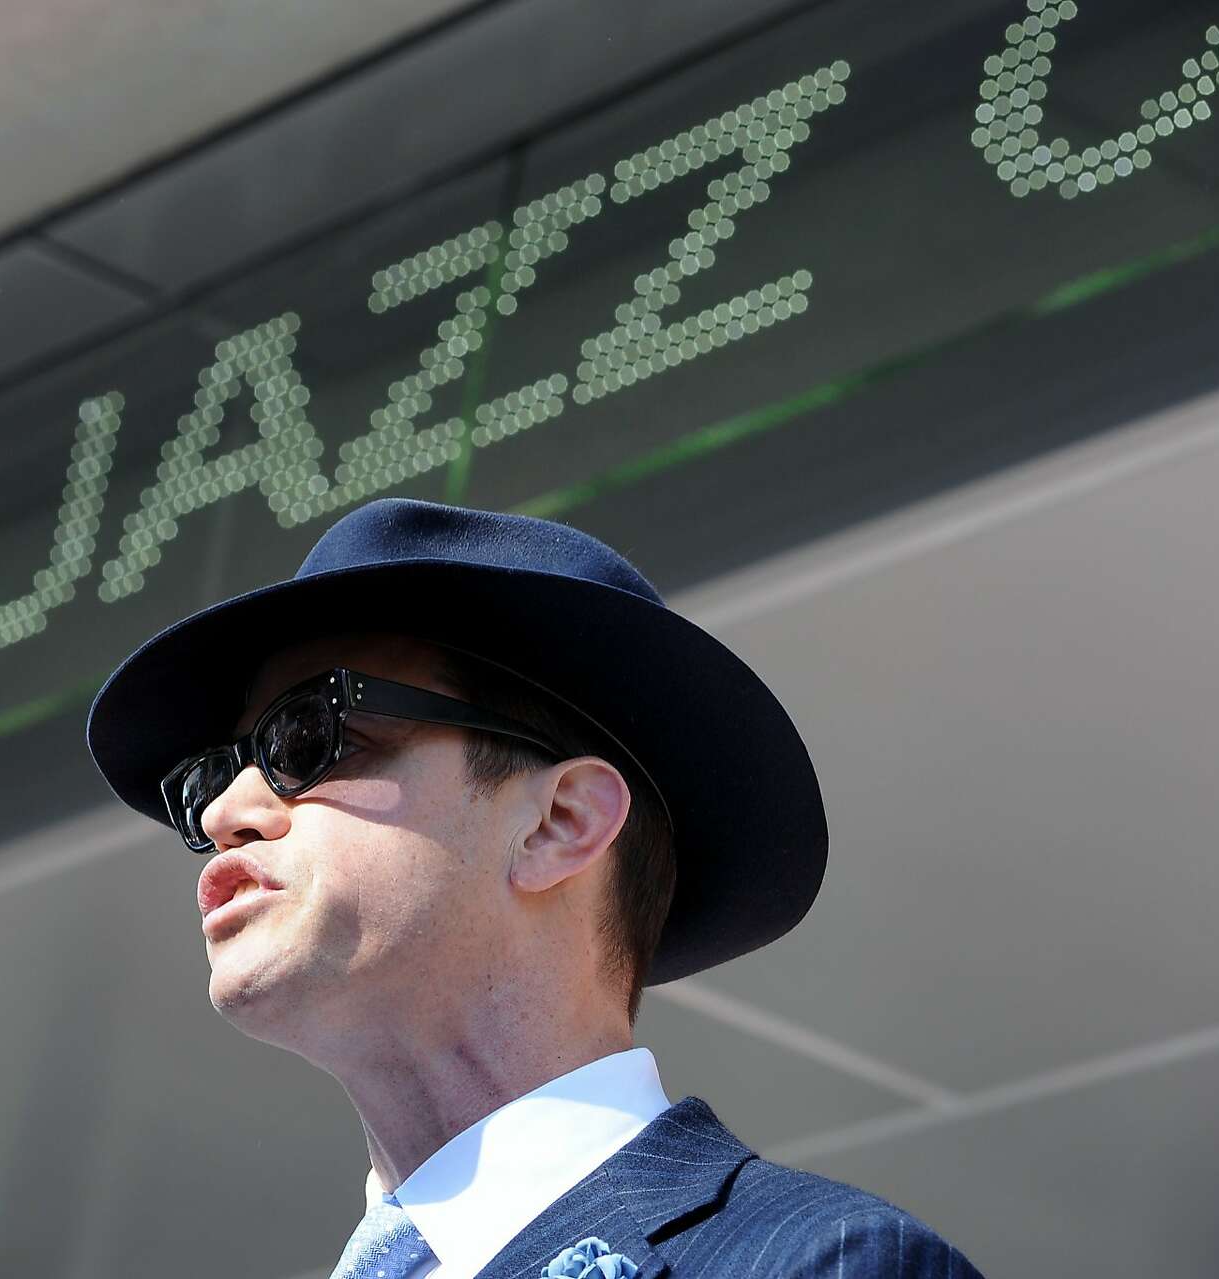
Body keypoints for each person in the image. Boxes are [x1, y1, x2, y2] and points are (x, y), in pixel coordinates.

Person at [87, 498, 982, 1279]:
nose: (225, 813)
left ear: (559, 823)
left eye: (309, 736)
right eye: (213, 775)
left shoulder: (826, 1266)